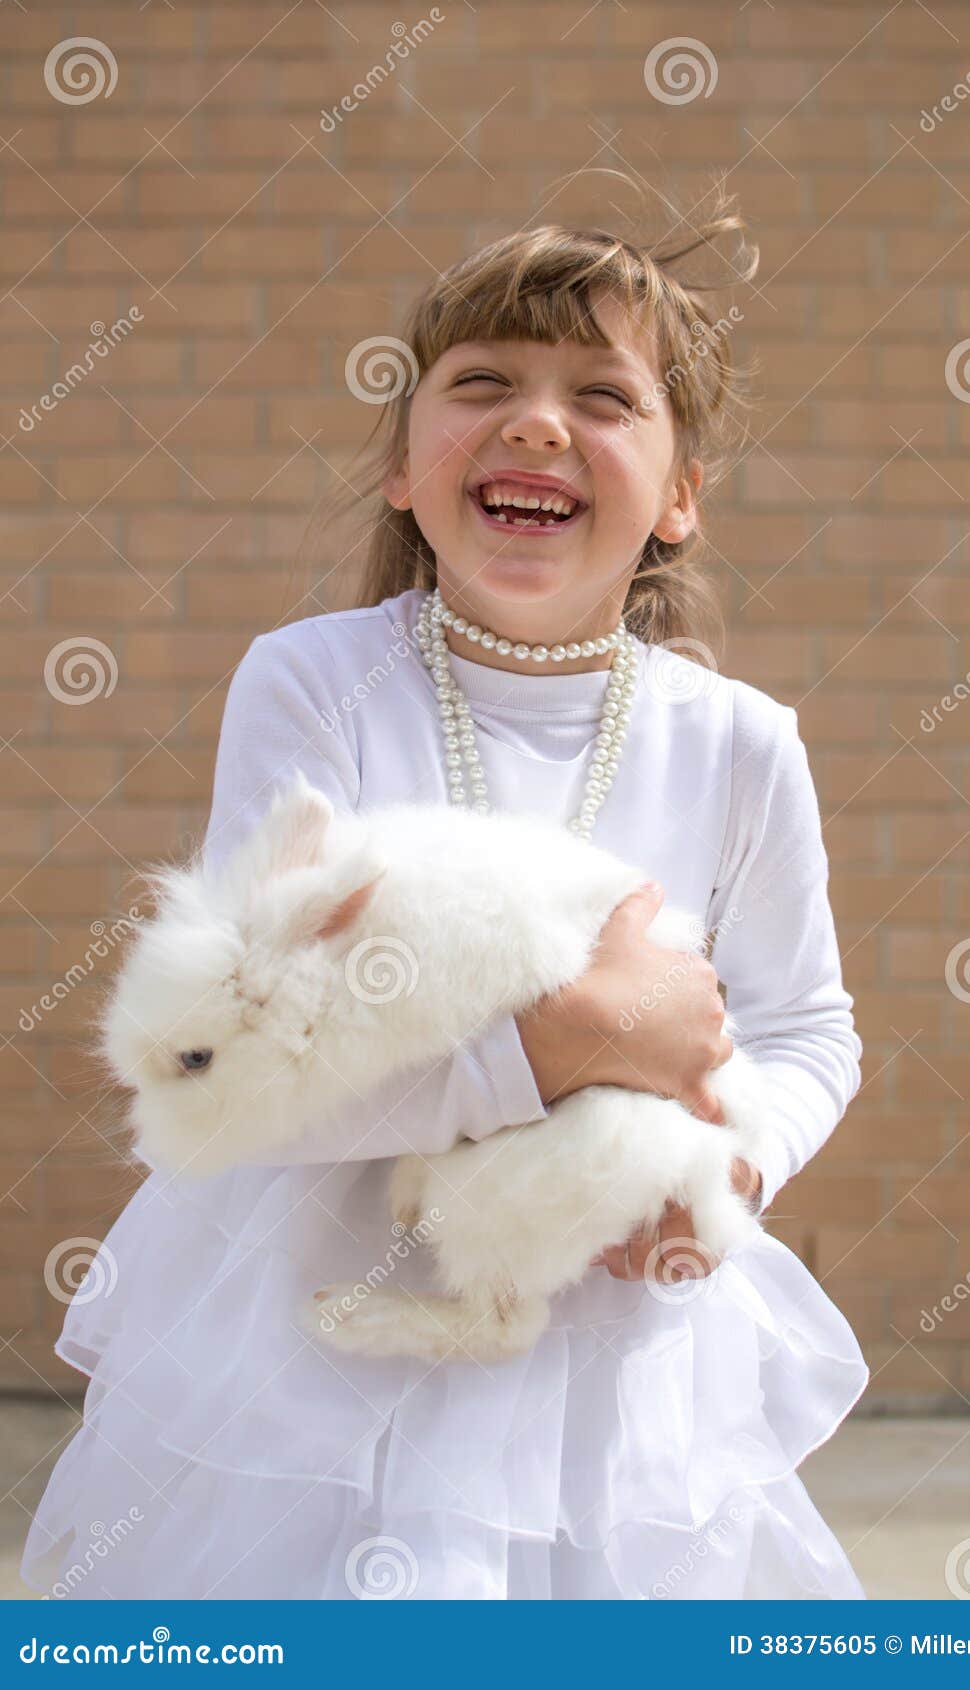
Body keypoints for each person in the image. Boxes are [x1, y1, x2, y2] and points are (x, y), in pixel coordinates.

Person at [22, 204, 869, 1600]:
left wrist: (728, 1164)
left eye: (604, 398)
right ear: (406, 471)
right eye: (483, 383)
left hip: (615, 1357)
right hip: (321, 1340)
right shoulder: (313, 685)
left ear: (680, 496)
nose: (538, 424)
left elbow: (803, 1024)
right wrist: (573, 1042)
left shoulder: (737, 743)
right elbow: (254, 1076)